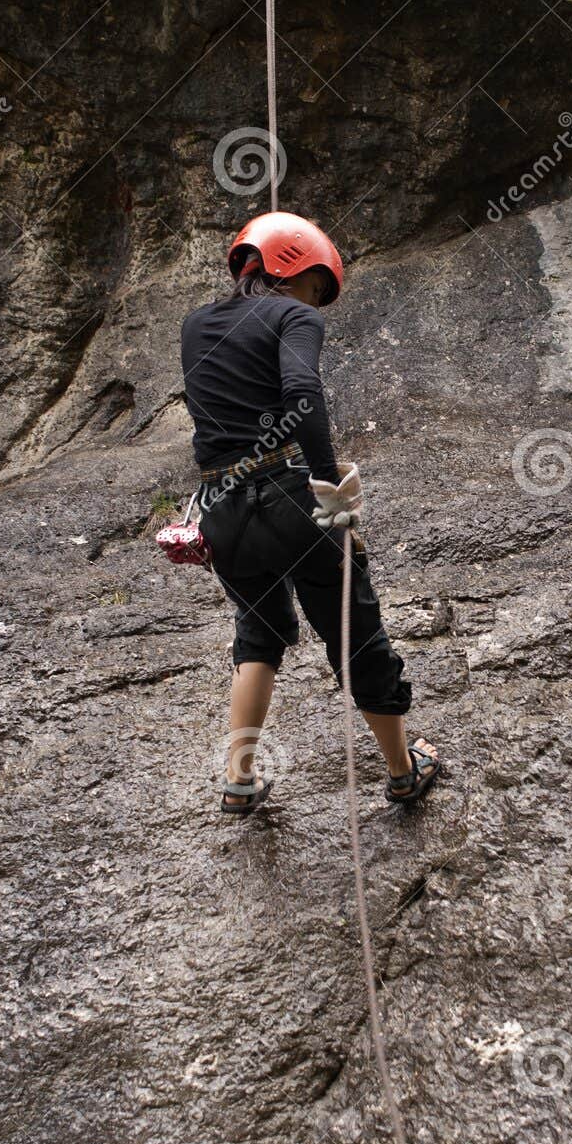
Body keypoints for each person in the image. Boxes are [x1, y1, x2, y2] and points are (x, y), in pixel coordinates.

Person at [180, 211, 442, 817]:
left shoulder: (195, 325)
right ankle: (403, 772)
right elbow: (302, 392)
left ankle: (239, 779)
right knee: (355, 632)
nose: (314, 304)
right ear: (291, 267)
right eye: (315, 288)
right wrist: (330, 488)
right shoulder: (293, 316)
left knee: (258, 632)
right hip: (291, 500)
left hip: (222, 510)